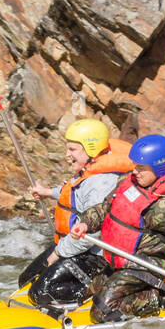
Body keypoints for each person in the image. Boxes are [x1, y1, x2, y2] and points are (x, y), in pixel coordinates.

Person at [69, 134, 165, 321]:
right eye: (135, 165)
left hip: (146, 268)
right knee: (85, 293)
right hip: (119, 261)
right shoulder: (129, 182)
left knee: (101, 311)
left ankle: (163, 300)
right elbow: (106, 207)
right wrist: (85, 224)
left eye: (141, 168)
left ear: (159, 168)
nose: (135, 171)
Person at [18, 118, 134, 307]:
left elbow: (92, 232)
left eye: (72, 150)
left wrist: (58, 253)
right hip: (76, 246)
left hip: (97, 255)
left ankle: (95, 295)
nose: (67, 155)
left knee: (43, 292)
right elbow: (74, 193)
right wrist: (48, 192)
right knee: (26, 279)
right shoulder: (88, 171)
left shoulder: (102, 183)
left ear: (91, 150)